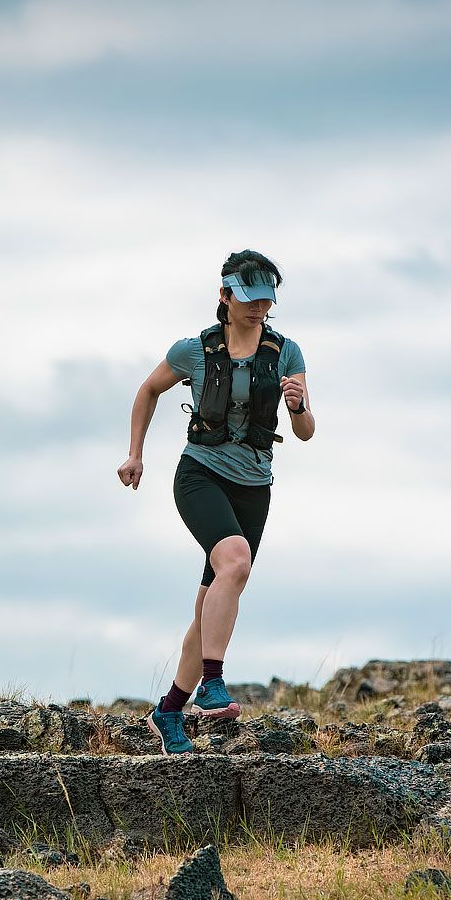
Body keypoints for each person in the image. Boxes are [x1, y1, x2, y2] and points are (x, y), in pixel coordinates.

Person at [117, 249, 313, 755]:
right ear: (224, 296)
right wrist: (135, 454)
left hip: (255, 484)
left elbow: (307, 432)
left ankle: (168, 710)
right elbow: (147, 390)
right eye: (249, 299)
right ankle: (212, 681)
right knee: (236, 562)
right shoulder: (194, 350)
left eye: (267, 300)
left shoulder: (287, 353)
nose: (259, 308)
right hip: (200, 474)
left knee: (211, 601)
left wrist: (298, 407)